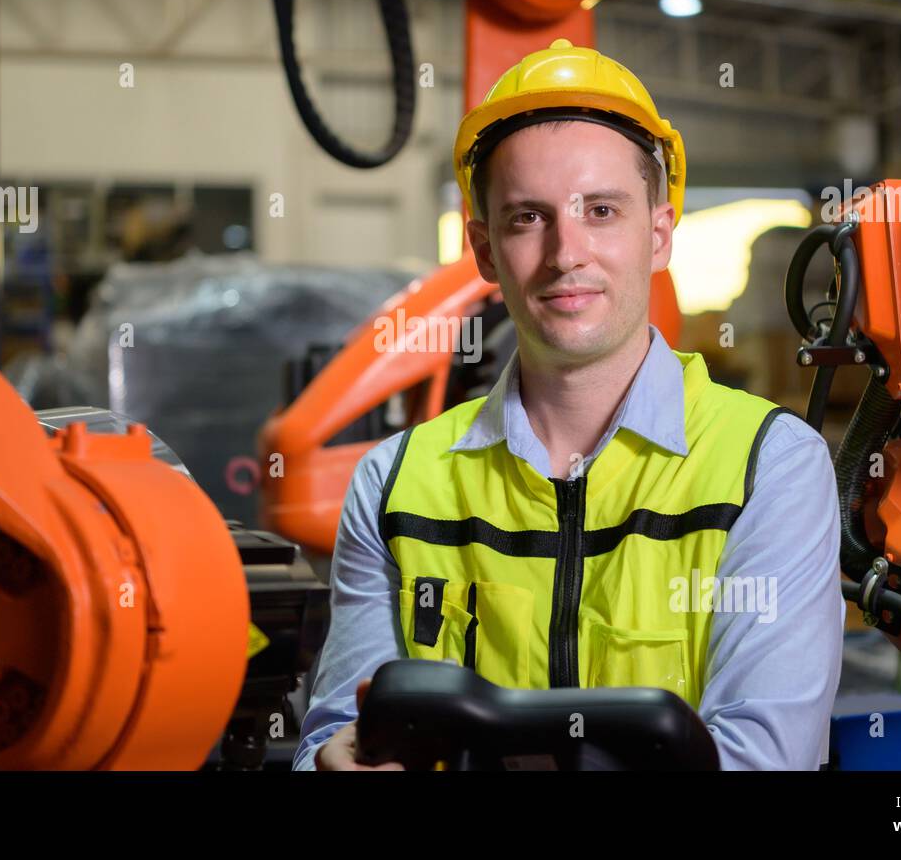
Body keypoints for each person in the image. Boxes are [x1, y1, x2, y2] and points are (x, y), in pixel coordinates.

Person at [293, 39, 844, 771]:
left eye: (602, 210)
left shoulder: (767, 469)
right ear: (485, 250)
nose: (565, 253)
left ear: (659, 233)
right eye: (528, 218)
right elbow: (333, 740)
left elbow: (761, 761)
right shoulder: (394, 487)